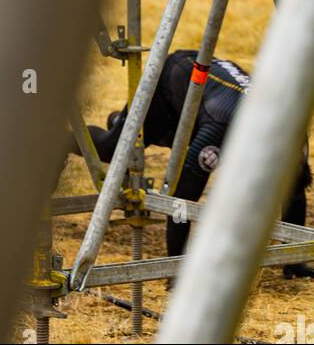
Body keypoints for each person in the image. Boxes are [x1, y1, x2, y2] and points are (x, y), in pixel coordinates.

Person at [77, 49, 313, 279]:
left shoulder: (292, 133)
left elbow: (295, 188)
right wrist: (175, 270)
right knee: (115, 149)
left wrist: (295, 260)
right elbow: (180, 204)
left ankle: (121, 121)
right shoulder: (217, 134)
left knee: (290, 179)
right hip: (169, 82)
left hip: (210, 89)